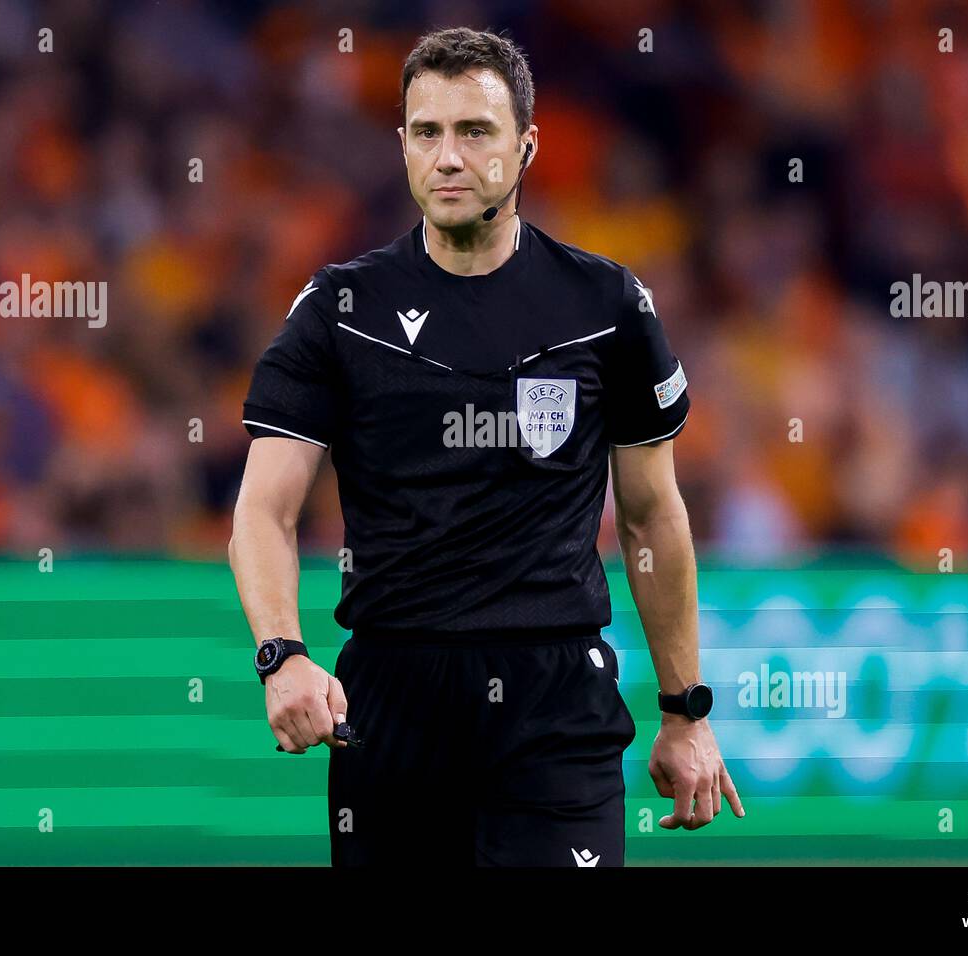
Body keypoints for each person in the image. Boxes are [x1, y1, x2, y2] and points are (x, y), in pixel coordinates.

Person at [229, 26, 744, 867]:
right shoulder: (339, 308)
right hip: (393, 699)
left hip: (555, 700)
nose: (449, 158)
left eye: (475, 132)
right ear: (401, 146)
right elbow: (263, 509)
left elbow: (652, 519)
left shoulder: (606, 303)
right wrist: (281, 655)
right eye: (427, 133)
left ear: (527, 147)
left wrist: (686, 710)